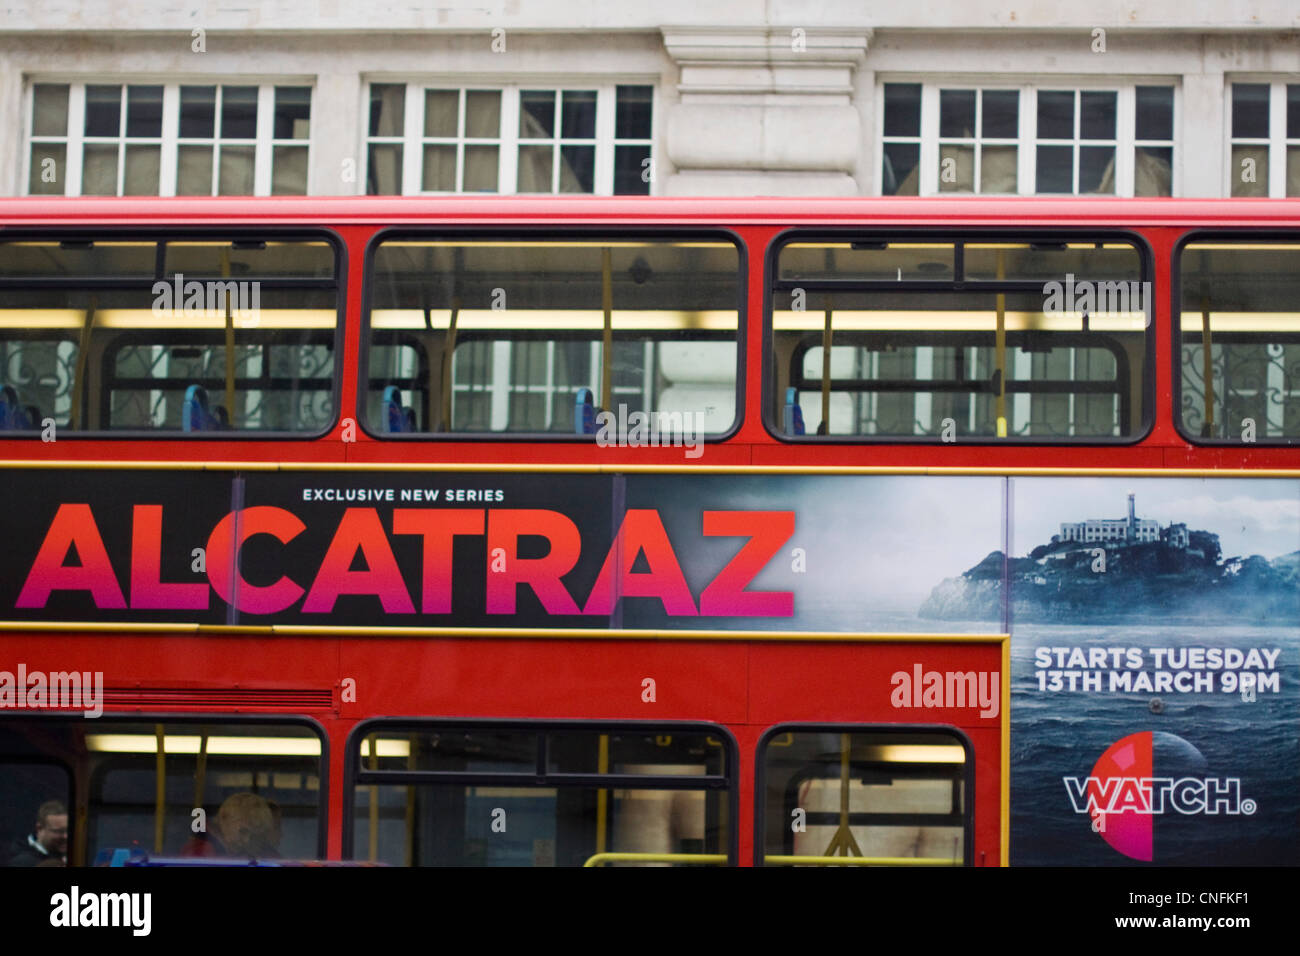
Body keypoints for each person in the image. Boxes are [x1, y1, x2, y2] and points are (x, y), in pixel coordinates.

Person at [8, 801, 68, 866]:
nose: (65, 836)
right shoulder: (21, 863)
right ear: (39, 828)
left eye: (68, 830)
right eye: (58, 831)